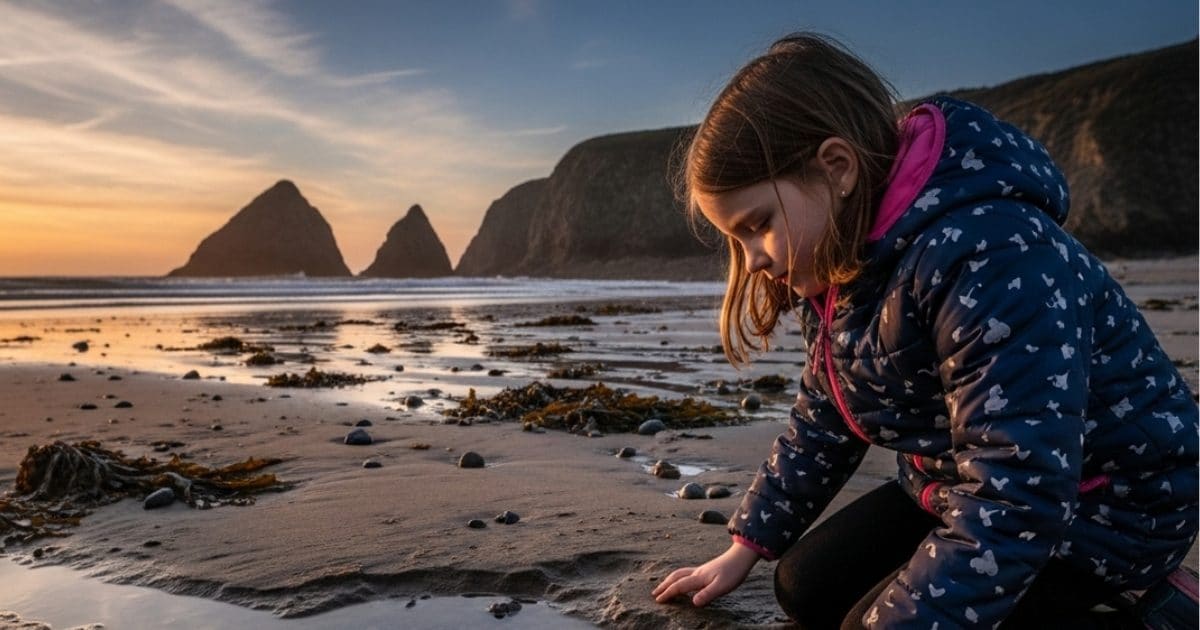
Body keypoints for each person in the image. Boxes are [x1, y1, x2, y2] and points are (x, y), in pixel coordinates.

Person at [651, 32, 1198, 629]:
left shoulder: (988, 257)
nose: (751, 259)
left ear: (837, 168)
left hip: (1102, 505)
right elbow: (826, 417)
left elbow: (1018, 488)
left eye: (757, 225)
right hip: (952, 483)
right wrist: (746, 545)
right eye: (736, 238)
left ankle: (1153, 608)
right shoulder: (843, 259)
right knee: (804, 588)